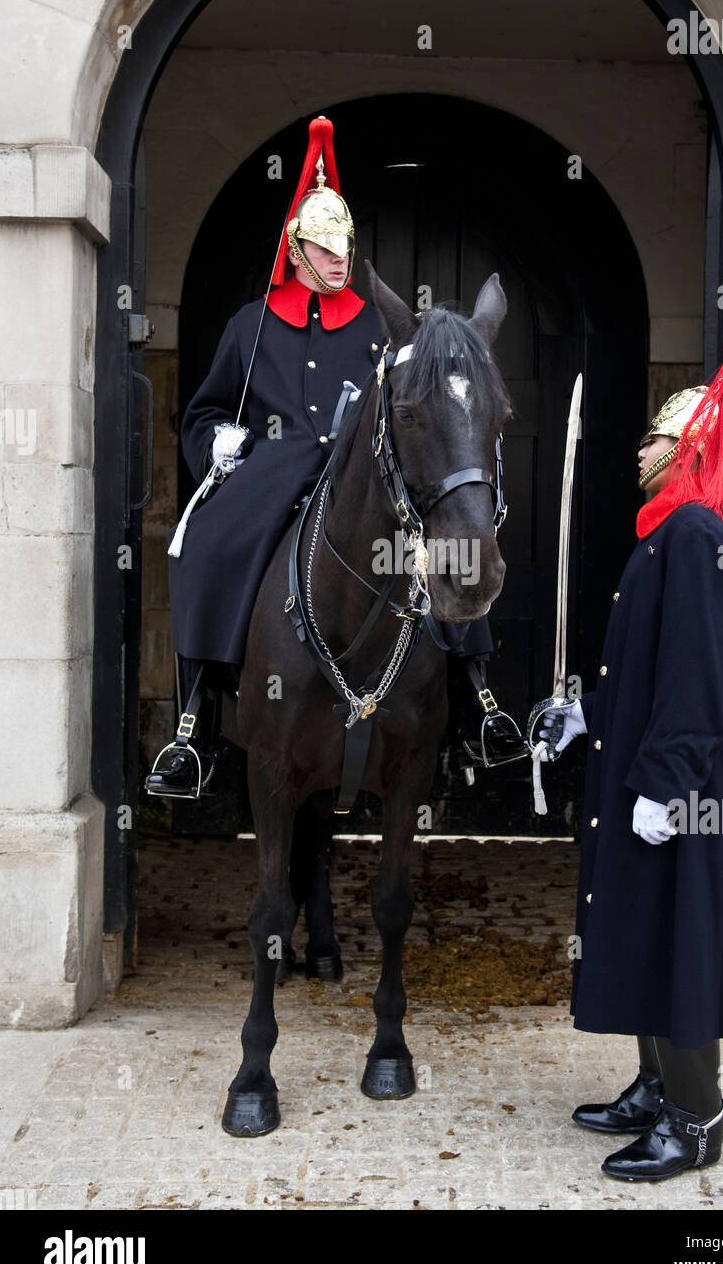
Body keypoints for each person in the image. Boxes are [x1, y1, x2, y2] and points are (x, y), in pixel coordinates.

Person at [147, 115, 523, 800]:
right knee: (206, 544)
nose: (337, 259)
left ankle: (478, 699)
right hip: (272, 466)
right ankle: (195, 724)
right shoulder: (250, 325)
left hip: (359, 472)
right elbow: (201, 413)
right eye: (323, 248)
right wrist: (217, 448)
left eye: (344, 247)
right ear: (295, 250)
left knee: (449, 541)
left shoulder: (378, 322)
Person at [541, 318, 723, 1181]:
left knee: (682, 941)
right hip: (653, 768)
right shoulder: (665, 533)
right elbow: (648, 673)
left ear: (688, 443)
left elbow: (706, 680)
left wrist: (666, 784)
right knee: (647, 927)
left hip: (685, 783)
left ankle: (695, 1117)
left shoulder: (697, 538)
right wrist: (589, 715)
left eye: (656, 431)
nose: (640, 444)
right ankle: (655, 1087)